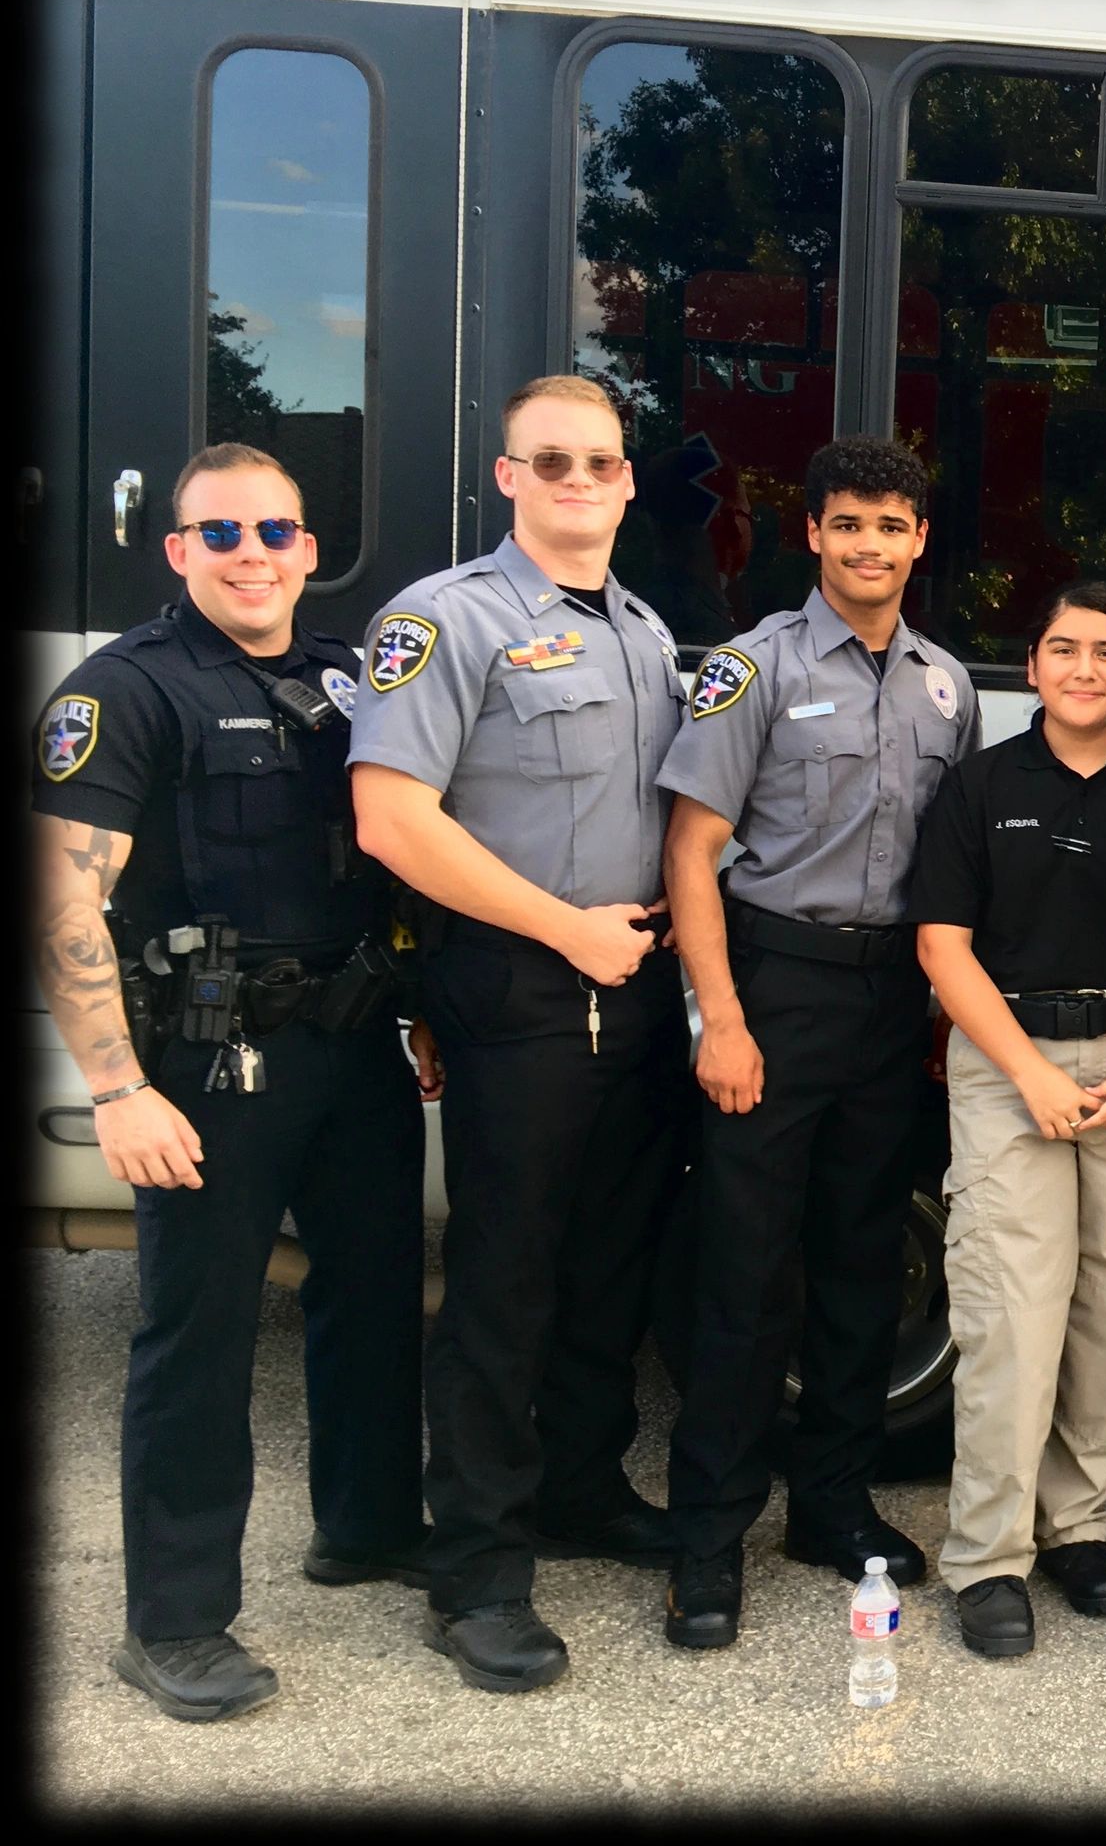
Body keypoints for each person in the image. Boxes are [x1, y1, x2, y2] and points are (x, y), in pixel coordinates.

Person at [34, 444, 432, 1720]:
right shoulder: (126, 689)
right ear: (177, 550)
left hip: (355, 1042)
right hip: (208, 1065)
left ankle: (366, 1529)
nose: (251, 553)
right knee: (196, 1339)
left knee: (373, 1299)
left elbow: (385, 857)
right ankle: (174, 1623)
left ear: (312, 548)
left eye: (275, 530)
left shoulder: (345, 678)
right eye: (220, 534)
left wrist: (412, 1008)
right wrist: (115, 1089)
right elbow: (62, 902)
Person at [350, 374, 695, 1693]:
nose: (577, 482)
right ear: (507, 477)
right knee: (503, 1287)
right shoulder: (445, 620)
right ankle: (478, 1572)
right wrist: (566, 933)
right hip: (524, 993)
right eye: (549, 461)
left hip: (636, 992)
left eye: (599, 463)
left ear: (624, 479)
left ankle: (582, 1491)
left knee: (610, 1270)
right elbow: (394, 820)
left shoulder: (645, 630)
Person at [653, 435, 979, 1649]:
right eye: (849, 525)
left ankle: (830, 1506)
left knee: (858, 1265)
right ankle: (707, 1539)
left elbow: (951, 871)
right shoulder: (752, 670)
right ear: (813, 534)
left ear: (919, 540)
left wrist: (942, 1013)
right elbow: (690, 852)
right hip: (775, 988)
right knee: (743, 1274)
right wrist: (721, 1020)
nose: (871, 547)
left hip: (892, 1002)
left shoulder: (949, 686)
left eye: (892, 527)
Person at [911, 581, 1106, 1658]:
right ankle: (988, 1557)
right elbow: (942, 946)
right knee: (1009, 1317)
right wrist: (1028, 1071)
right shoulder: (980, 787)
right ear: (1030, 667)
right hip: (1007, 1064)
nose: (1084, 668)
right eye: (1062, 649)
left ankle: (1077, 1527)